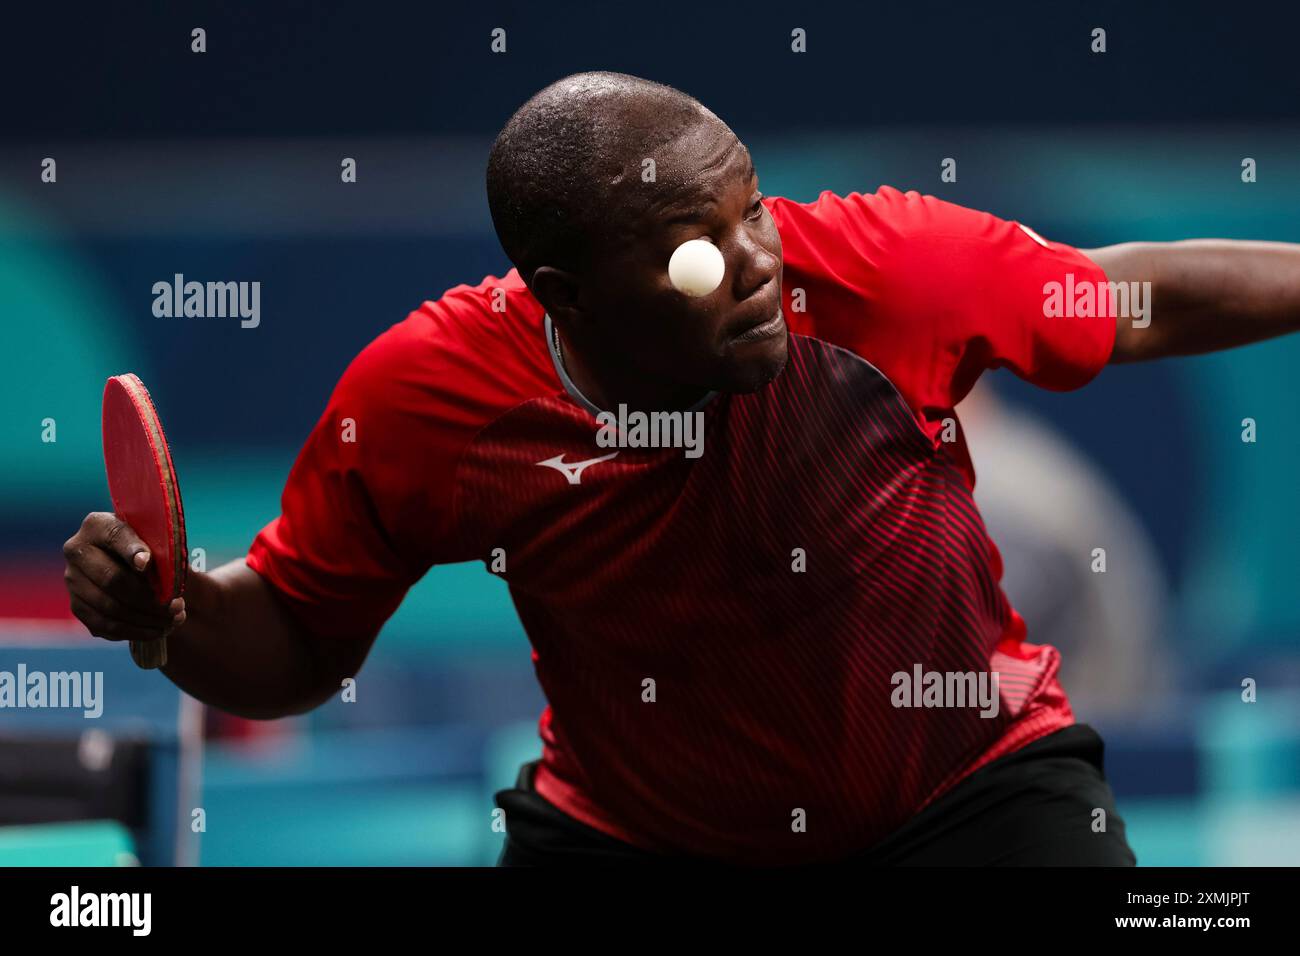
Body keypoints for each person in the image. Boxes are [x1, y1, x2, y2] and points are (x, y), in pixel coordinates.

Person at [62, 71, 1300, 865]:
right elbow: (291, 638)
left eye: (750, 208)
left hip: (966, 796)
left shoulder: (873, 272)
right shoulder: (431, 399)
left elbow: (1131, 292)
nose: (754, 260)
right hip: (640, 837)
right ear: (567, 295)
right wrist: (168, 615)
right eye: (691, 253)